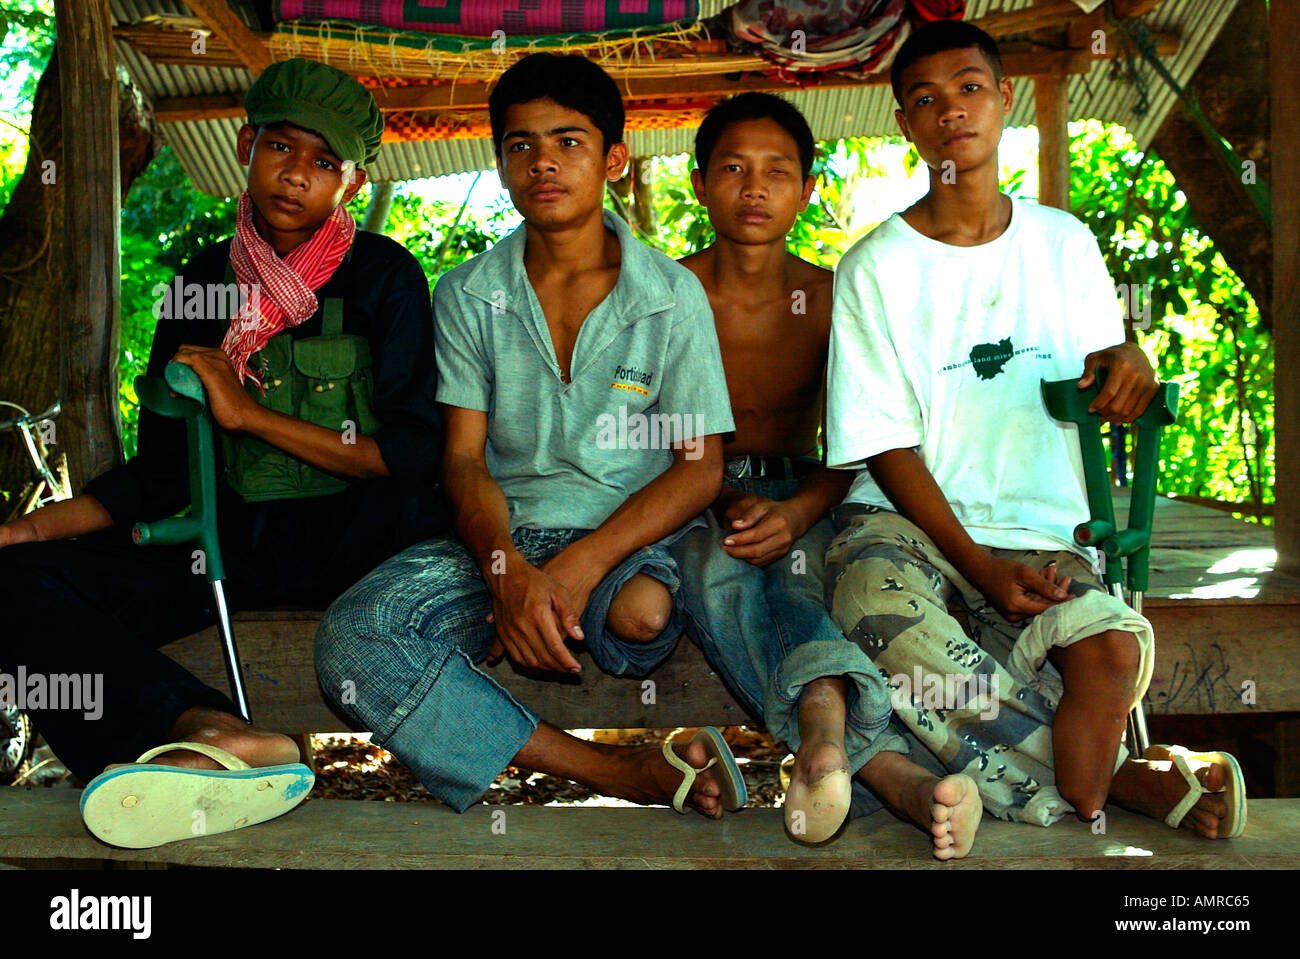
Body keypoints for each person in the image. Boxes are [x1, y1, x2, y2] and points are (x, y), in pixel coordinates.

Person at [0, 58, 449, 848]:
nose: (297, 176)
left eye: (323, 163)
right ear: (245, 145)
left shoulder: (385, 276)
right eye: (281, 148)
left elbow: (408, 454)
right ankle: (208, 731)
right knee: (13, 581)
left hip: (365, 542)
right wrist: (27, 532)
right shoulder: (201, 284)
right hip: (234, 546)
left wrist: (246, 414)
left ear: (349, 182)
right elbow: (164, 471)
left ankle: (187, 750)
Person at [824, 20, 1245, 839]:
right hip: (907, 526)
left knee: (1111, 650)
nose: (952, 111)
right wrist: (977, 566)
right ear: (905, 123)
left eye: (970, 88)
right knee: (872, 601)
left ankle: (1050, 778)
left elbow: (1111, 366)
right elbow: (883, 443)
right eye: (926, 99)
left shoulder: (1064, 244)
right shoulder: (874, 266)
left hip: (1042, 528)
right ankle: (1110, 777)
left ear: (1005, 98)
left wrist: (1134, 360)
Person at [315, 53, 749, 819]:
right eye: (520, 146)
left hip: (623, 534)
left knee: (641, 612)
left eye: (569, 141)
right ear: (501, 162)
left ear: (615, 159)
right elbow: (461, 459)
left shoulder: (671, 294)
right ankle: (616, 770)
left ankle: (574, 609)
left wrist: (579, 565)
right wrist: (504, 570)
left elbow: (698, 468)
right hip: (502, 532)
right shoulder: (468, 293)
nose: (542, 161)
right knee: (351, 641)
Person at [669, 92, 981, 857]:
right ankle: (858, 751)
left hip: (812, 488)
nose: (753, 188)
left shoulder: (833, 296)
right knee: (715, 573)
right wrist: (725, 494)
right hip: (692, 491)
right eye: (733, 168)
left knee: (804, 579)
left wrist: (802, 509)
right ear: (699, 181)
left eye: (778, 171)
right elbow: (650, 429)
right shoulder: (668, 293)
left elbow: (865, 434)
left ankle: (832, 745)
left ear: (806, 188)